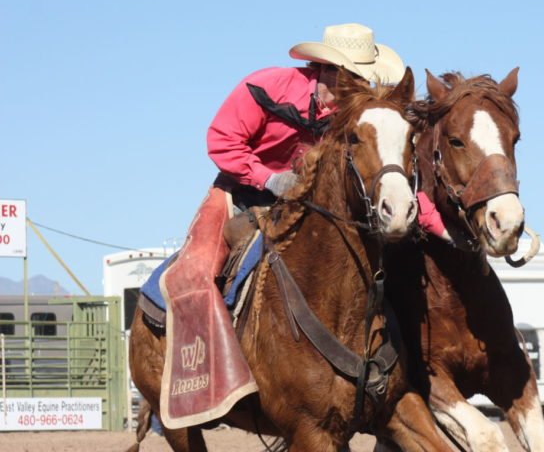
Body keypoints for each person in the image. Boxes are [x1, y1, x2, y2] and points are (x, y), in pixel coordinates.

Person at [155, 23, 446, 429]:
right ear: (322, 69)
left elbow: (389, 175)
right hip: (240, 193)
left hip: (310, 206)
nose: (353, 85)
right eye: (347, 76)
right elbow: (221, 141)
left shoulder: (355, 115)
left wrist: (440, 227)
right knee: (197, 270)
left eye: (360, 77)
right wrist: (267, 178)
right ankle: (200, 384)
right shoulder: (265, 86)